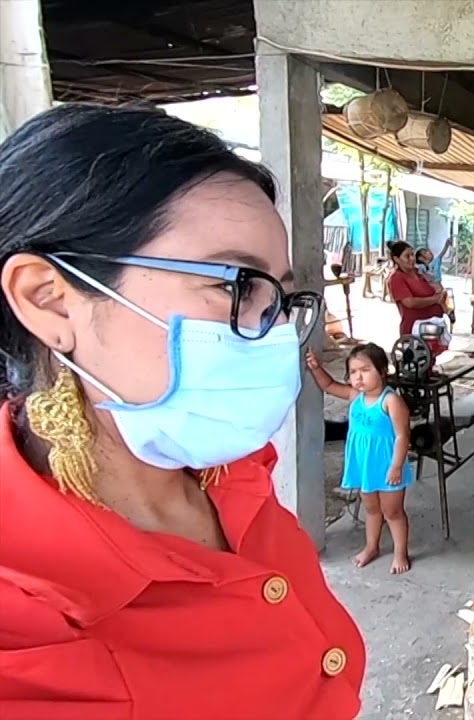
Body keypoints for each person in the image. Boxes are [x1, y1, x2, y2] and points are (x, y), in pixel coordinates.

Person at [0, 105, 364, 717]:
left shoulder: (236, 473)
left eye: (276, 296)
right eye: (233, 283)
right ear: (51, 301)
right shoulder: (27, 637)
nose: (271, 333)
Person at [305, 344, 414, 574]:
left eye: (365, 370)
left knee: (393, 512)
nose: (358, 377)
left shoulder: (391, 401)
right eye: (353, 372)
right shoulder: (356, 396)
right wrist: (316, 368)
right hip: (365, 466)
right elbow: (328, 385)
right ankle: (371, 547)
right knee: (372, 509)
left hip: (387, 466)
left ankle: (400, 553)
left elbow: (403, 435)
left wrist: (396, 467)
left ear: (383, 370)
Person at [386, 240, 445, 337]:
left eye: (412, 255)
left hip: (433, 326)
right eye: (407, 256)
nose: (412, 259)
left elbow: (438, 288)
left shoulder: (419, 272)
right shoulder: (397, 278)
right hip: (415, 329)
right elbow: (409, 302)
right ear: (396, 259)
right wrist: (435, 299)